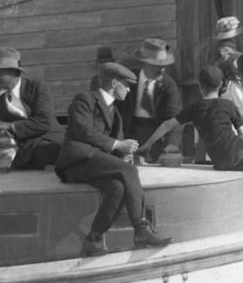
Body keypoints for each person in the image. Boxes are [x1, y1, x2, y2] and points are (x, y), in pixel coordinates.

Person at [144, 65, 243, 224]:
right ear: (221, 85)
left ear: (200, 86)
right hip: (235, 149)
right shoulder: (228, 105)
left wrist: (148, 144)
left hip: (219, 159)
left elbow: (167, 125)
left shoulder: (194, 108)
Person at [55, 62, 171, 256]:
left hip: (95, 163)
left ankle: (94, 239)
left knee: (117, 188)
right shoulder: (85, 99)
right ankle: (141, 229)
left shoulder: (115, 113)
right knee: (129, 172)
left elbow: (117, 147)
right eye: (126, 86)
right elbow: (84, 132)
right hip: (76, 162)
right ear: (114, 83)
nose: (128, 90)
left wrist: (126, 154)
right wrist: (118, 145)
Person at [0, 47, 63, 171]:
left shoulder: (36, 87)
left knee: (55, 151)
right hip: (23, 150)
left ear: (13, 72)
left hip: (49, 140)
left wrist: (11, 128)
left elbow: (45, 121)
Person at [116, 38, 182, 164]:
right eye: (157, 65)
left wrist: (169, 147)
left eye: (164, 66)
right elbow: (115, 111)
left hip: (156, 134)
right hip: (129, 131)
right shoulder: (128, 81)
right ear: (145, 63)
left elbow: (173, 120)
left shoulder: (169, 86)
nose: (162, 70)